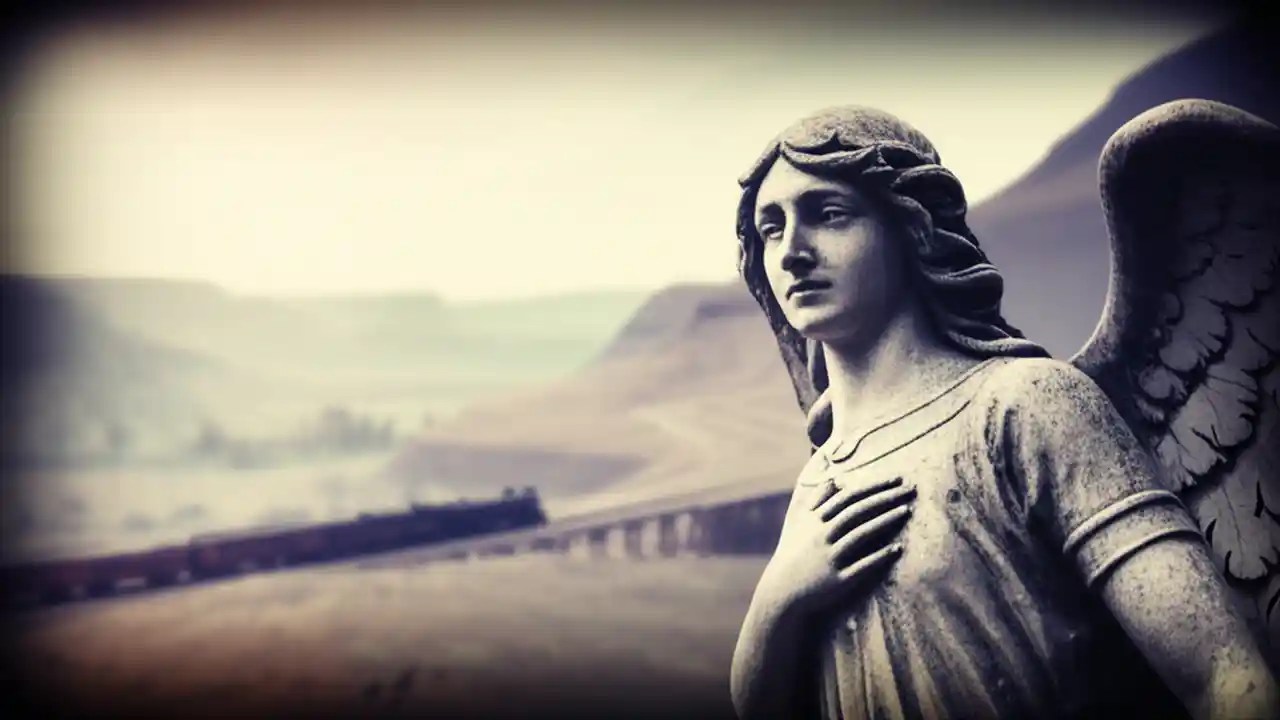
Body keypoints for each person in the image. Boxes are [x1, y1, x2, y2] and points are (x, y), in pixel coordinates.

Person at [727, 106, 1279, 719]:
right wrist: (779, 600)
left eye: (827, 214)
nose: (792, 252)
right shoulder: (821, 478)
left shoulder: (1025, 405)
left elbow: (1224, 676)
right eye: (770, 228)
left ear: (913, 228)